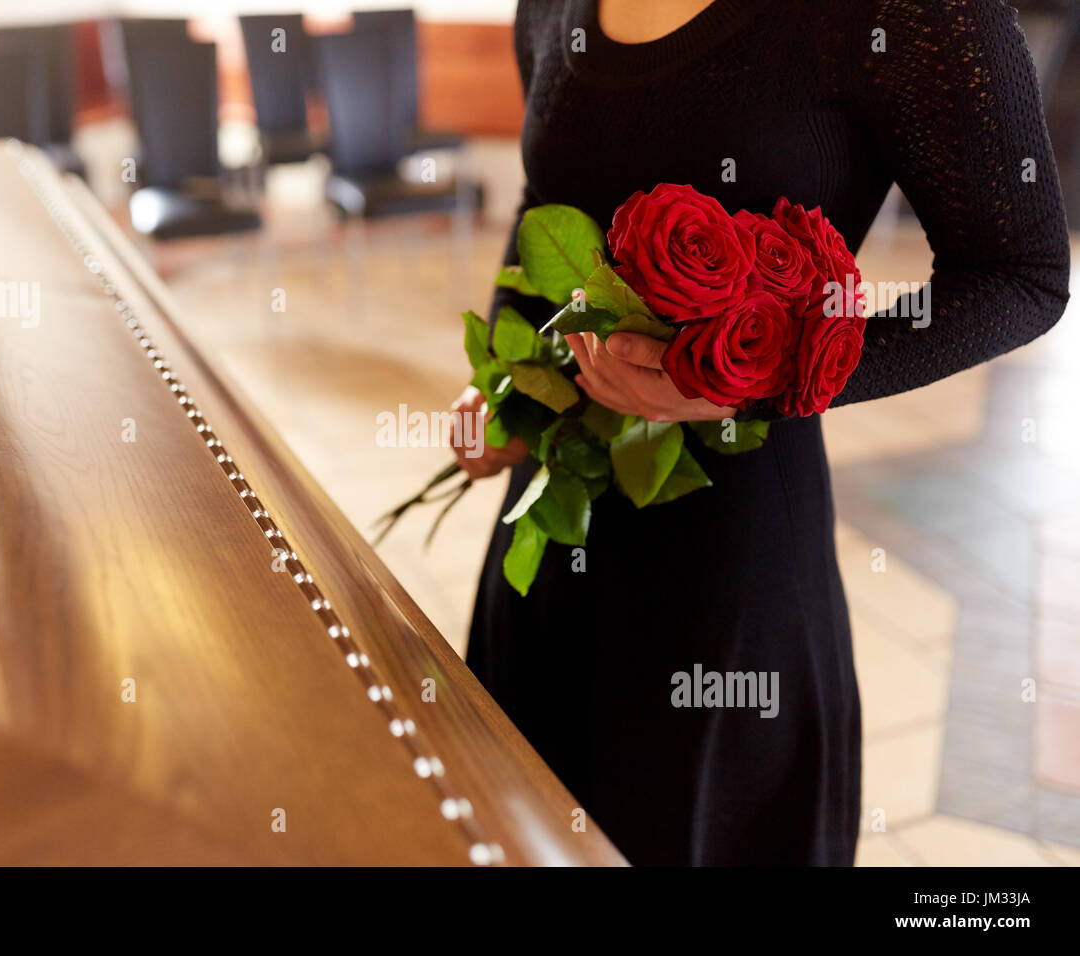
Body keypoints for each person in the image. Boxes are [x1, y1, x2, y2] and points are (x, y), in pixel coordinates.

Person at [451, 0, 1071, 865]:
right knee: (516, 816)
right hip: (554, 529)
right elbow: (548, 196)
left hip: (729, 564)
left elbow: (1022, 274)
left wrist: (771, 375)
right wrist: (505, 388)